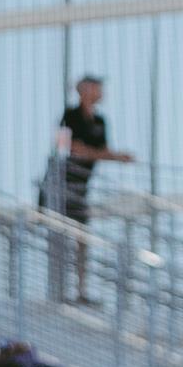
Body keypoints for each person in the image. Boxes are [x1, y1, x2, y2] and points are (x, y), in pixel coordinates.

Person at [47, 75, 133, 302]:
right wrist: (103, 155)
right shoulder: (70, 115)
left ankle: (80, 290)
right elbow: (65, 146)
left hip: (81, 187)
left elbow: (101, 151)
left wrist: (112, 155)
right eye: (97, 88)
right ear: (84, 90)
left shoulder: (100, 120)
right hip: (63, 185)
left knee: (81, 238)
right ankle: (59, 289)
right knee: (62, 233)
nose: (101, 92)